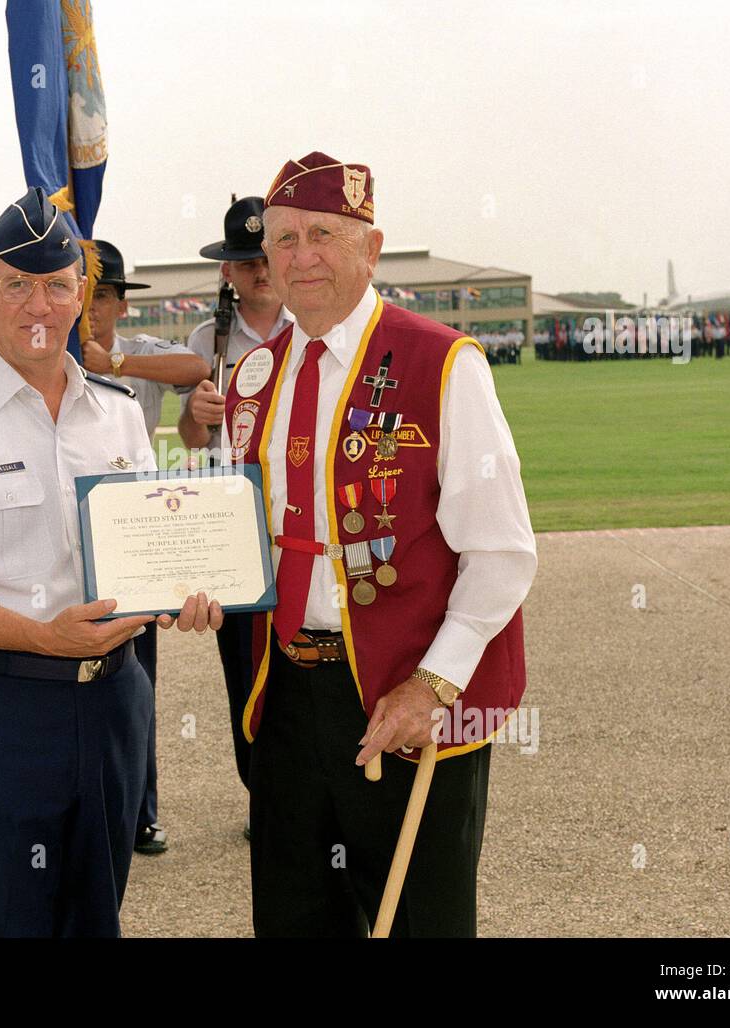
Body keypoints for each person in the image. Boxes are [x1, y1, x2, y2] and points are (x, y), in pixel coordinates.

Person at [0, 187, 222, 937]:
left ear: (82, 296)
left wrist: (195, 588)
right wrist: (40, 638)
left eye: (57, 285)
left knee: (95, 918)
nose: (39, 304)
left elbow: (145, 552)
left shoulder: (119, 409)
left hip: (112, 703)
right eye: (18, 285)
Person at [223, 152, 537, 937]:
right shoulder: (256, 374)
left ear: (371, 246)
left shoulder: (443, 362)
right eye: (285, 239)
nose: (301, 257)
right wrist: (199, 584)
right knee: (295, 918)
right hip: (287, 698)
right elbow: (241, 533)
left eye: (323, 234)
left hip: (407, 696)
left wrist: (431, 687)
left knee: (420, 922)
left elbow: (502, 553)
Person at [79, 238, 209, 855]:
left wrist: (116, 365)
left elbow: (195, 369)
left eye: (103, 294)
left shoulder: (137, 352)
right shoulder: (46, 350)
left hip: (134, 533)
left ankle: (141, 811)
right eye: (83, 290)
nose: (91, 305)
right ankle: (81, 811)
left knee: (135, 684)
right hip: (70, 535)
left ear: (121, 305)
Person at [178, 196, 292, 818]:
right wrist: (194, 417)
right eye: (244, 261)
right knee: (244, 665)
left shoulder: (311, 326)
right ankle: (261, 794)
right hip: (233, 516)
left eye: (264, 255)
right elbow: (193, 440)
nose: (258, 271)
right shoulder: (208, 340)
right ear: (227, 271)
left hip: (298, 514)